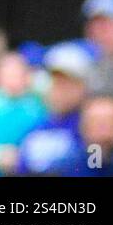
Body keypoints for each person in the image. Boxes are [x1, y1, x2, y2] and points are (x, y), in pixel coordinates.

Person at [16, 43, 91, 175]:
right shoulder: (38, 126)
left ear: (83, 87)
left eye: (68, 84)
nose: (60, 91)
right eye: (56, 83)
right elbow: (21, 167)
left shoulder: (91, 125)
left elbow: (97, 165)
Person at [46, 94, 113, 177]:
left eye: (111, 123)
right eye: (97, 124)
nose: (104, 133)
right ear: (84, 128)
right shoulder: (66, 168)